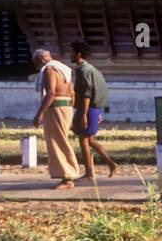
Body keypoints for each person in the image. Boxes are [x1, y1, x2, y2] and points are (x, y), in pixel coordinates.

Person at [32, 48, 80, 188]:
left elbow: (51, 93)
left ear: (40, 60)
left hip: (56, 107)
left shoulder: (49, 70)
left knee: (56, 142)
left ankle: (68, 177)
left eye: (36, 62)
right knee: (61, 140)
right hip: (66, 107)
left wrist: (39, 114)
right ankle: (68, 174)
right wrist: (71, 110)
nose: (36, 66)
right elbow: (72, 92)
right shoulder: (63, 69)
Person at [70, 41, 117, 179]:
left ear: (78, 54)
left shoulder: (83, 71)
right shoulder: (92, 69)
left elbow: (86, 94)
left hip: (88, 109)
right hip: (94, 108)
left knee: (83, 140)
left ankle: (90, 172)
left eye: (72, 52)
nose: (70, 54)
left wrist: (84, 115)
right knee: (90, 140)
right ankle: (110, 163)